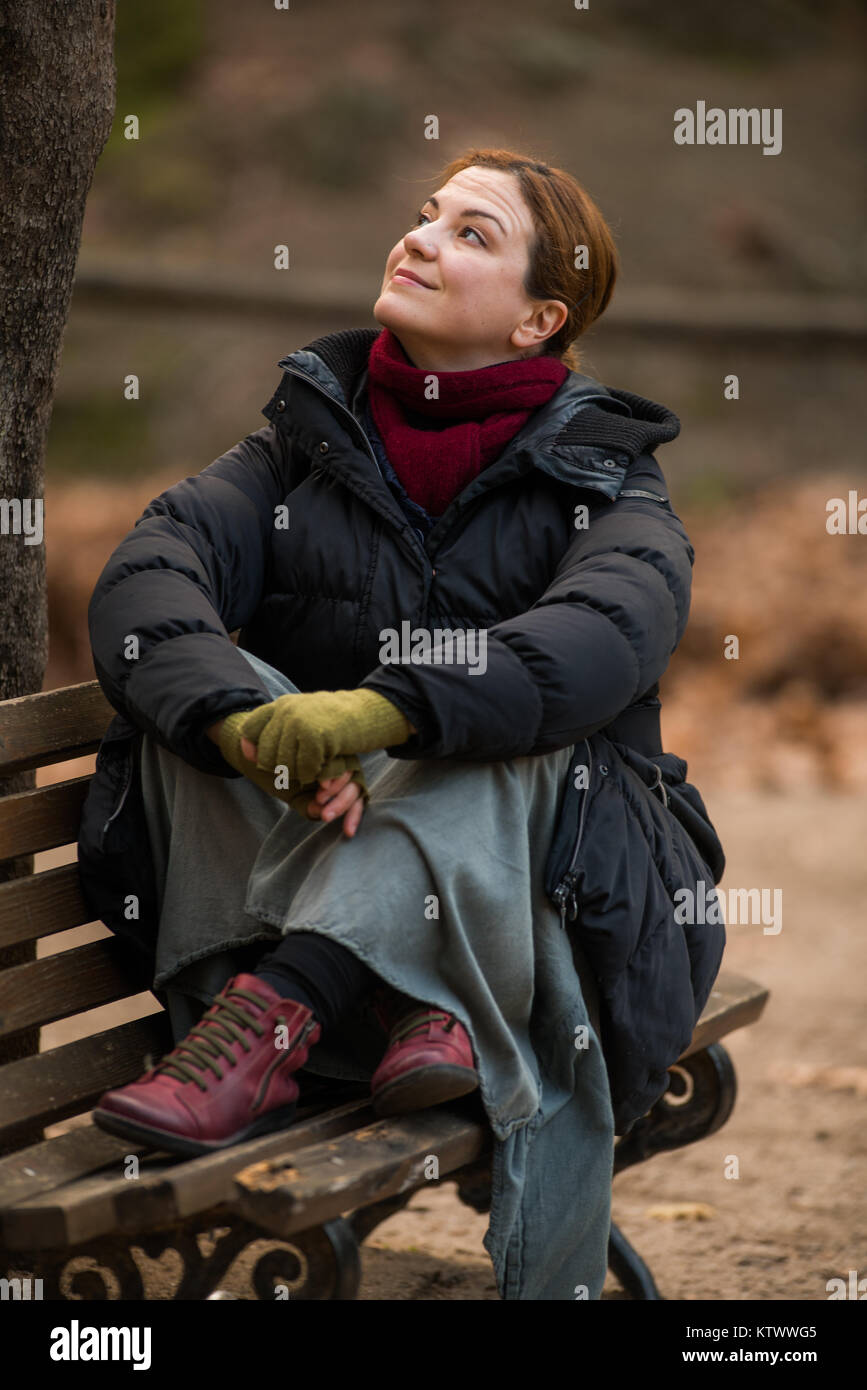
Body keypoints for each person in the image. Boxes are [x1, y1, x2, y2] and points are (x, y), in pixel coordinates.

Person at [79, 147, 725, 1300]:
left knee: (498, 719)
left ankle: (302, 1000)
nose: (420, 237)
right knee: (205, 683)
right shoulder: (296, 448)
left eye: (471, 233)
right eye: (425, 216)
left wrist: (391, 709)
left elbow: (600, 636)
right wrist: (243, 726)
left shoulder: (615, 487)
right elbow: (147, 578)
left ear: (541, 316)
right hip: (311, 908)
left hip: (552, 936)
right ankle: (403, 996)